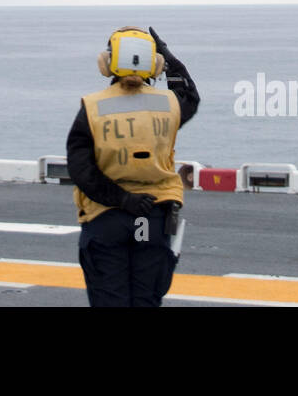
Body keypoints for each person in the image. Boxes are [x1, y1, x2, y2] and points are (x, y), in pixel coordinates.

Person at [67, 26, 199, 307]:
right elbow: (189, 95)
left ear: (107, 62)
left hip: (108, 218)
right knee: (145, 300)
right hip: (150, 218)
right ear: (155, 64)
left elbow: (82, 170)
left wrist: (123, 199)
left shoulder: (92, 108)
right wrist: (170, 59)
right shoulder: (170, 105)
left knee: (110, 299)